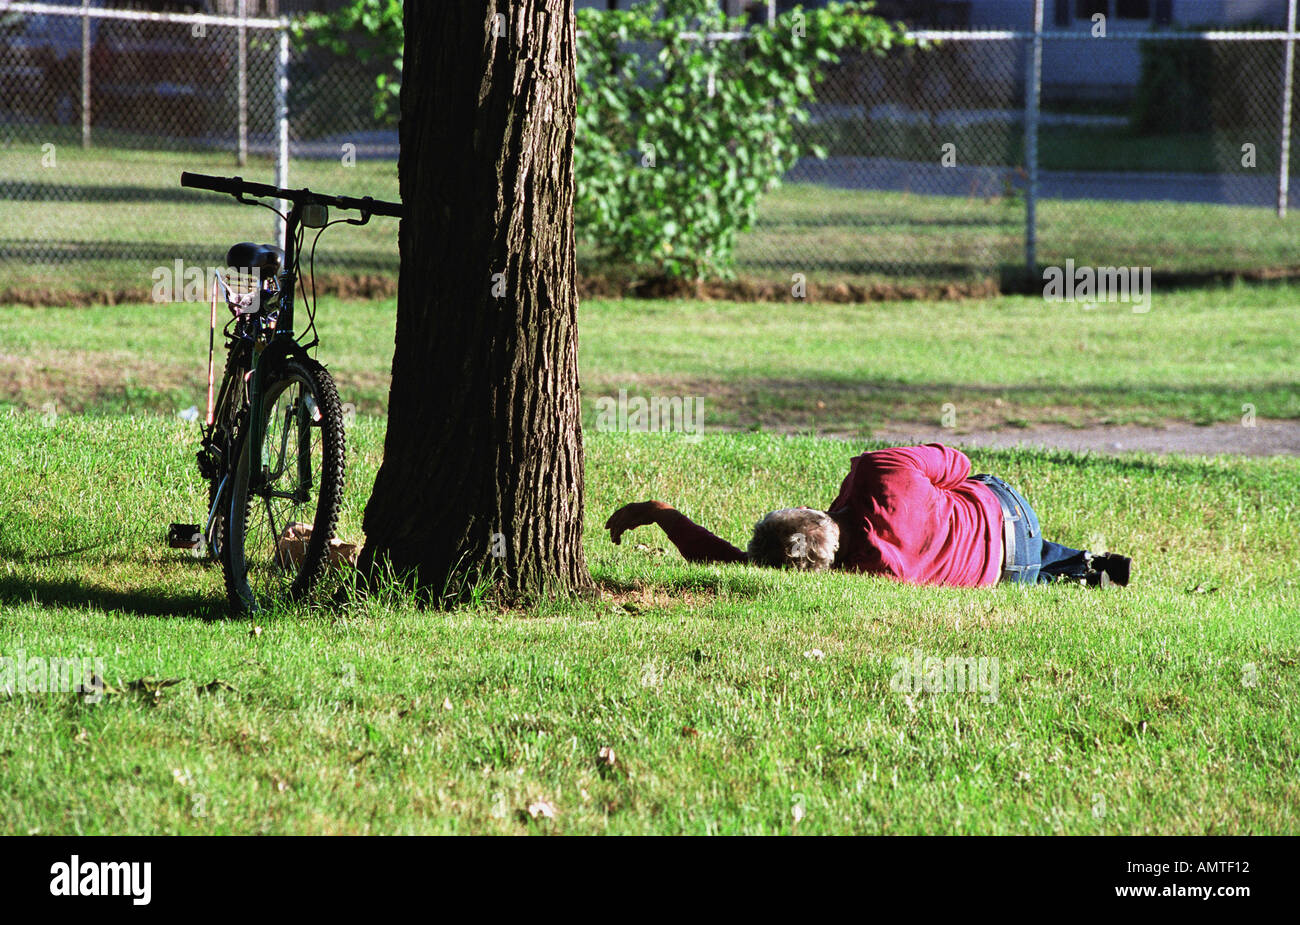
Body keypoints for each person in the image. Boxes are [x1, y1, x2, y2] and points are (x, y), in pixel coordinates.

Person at [604, 443, 1130, 587]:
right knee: (983, 507)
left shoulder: (860, 575)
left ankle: (1079, 570)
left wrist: (666, 516)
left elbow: (726, 563)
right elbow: (960, 464)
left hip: (1002, 575)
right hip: (1009, 511)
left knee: (1028, 569)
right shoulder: (882, 470)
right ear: (818, 511)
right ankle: (1085, 566)